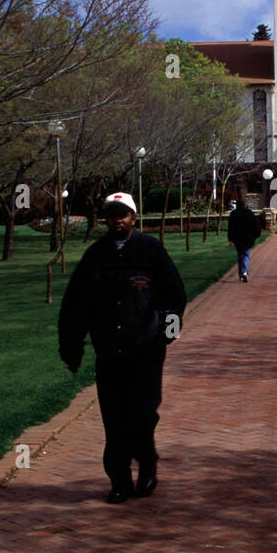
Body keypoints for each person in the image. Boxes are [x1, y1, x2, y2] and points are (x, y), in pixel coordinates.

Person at [58, 192, 187, 504]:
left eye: (123, 215)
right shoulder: (95, 256)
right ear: (106, 220)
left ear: (134, 218)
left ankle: (147, 465)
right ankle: (119, 480)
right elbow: (75, 304)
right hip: (109, 351)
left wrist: (167, 334)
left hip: (145, 348)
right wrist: (71, 345)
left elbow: (174, 295)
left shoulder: (151, 250)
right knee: (114, 417)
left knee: (142, 413)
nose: (117, 221)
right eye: (112, 216)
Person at [227, 191, 262, 282]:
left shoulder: (233, 214)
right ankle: (244, 272)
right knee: (246, 255)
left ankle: (241, 274)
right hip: (248, 238)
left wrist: (230, 239)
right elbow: (256, 225)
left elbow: (230, 227)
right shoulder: (250, 213)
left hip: (238, 238)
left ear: (237, 205)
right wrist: (257, 234)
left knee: (240, 255)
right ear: (244, 204)